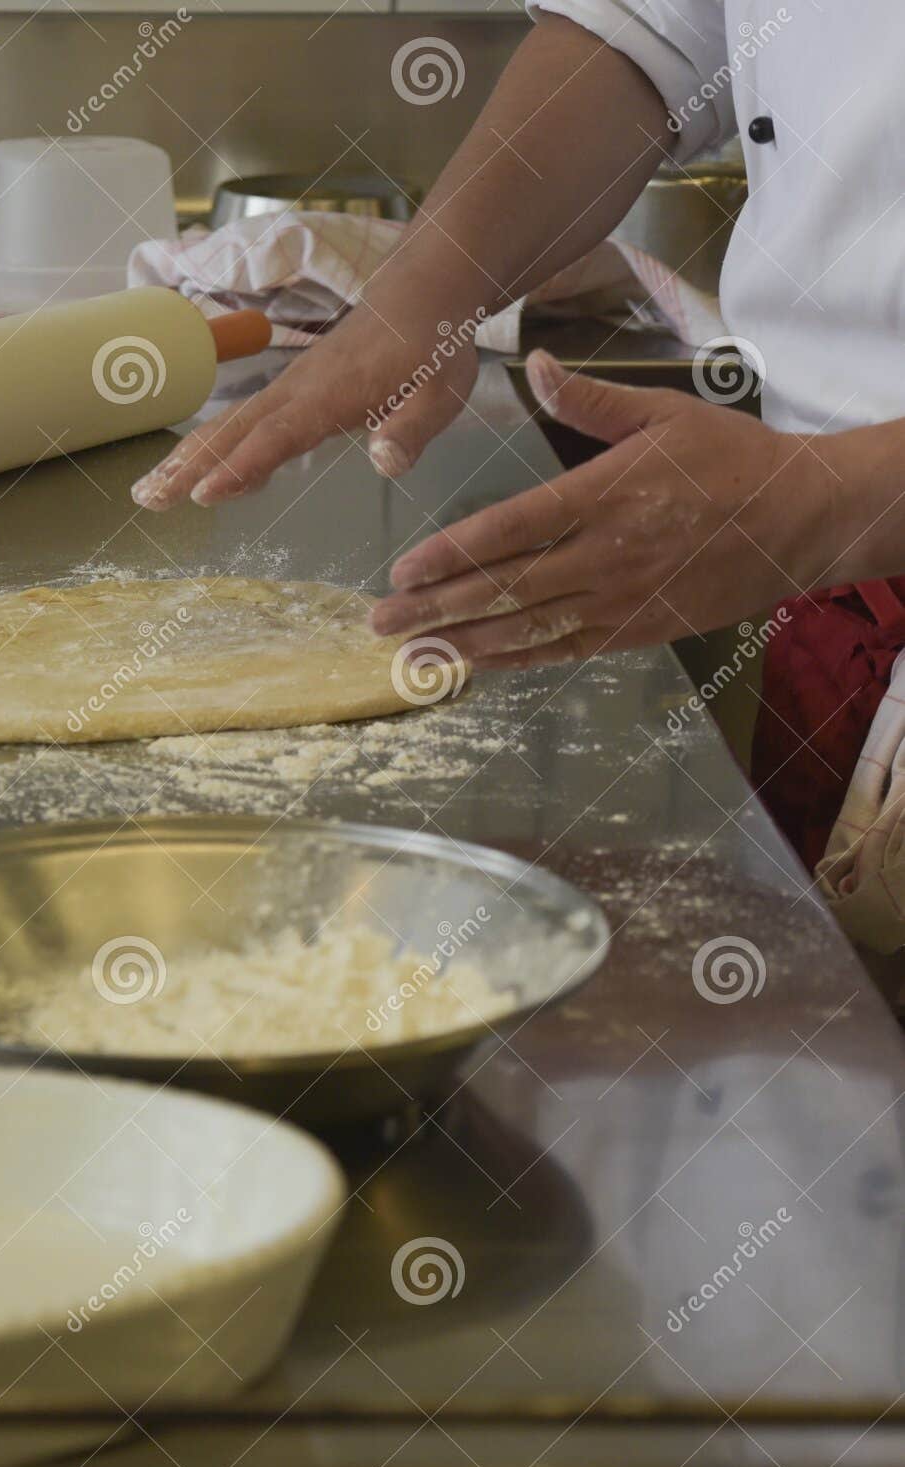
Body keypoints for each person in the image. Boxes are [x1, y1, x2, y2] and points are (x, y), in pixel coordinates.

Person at [131, 5, 905, 923]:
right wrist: (428, 286)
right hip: (837, 608)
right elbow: (644, 39)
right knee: (831, 1040)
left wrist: (827, 501)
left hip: (827, 520)